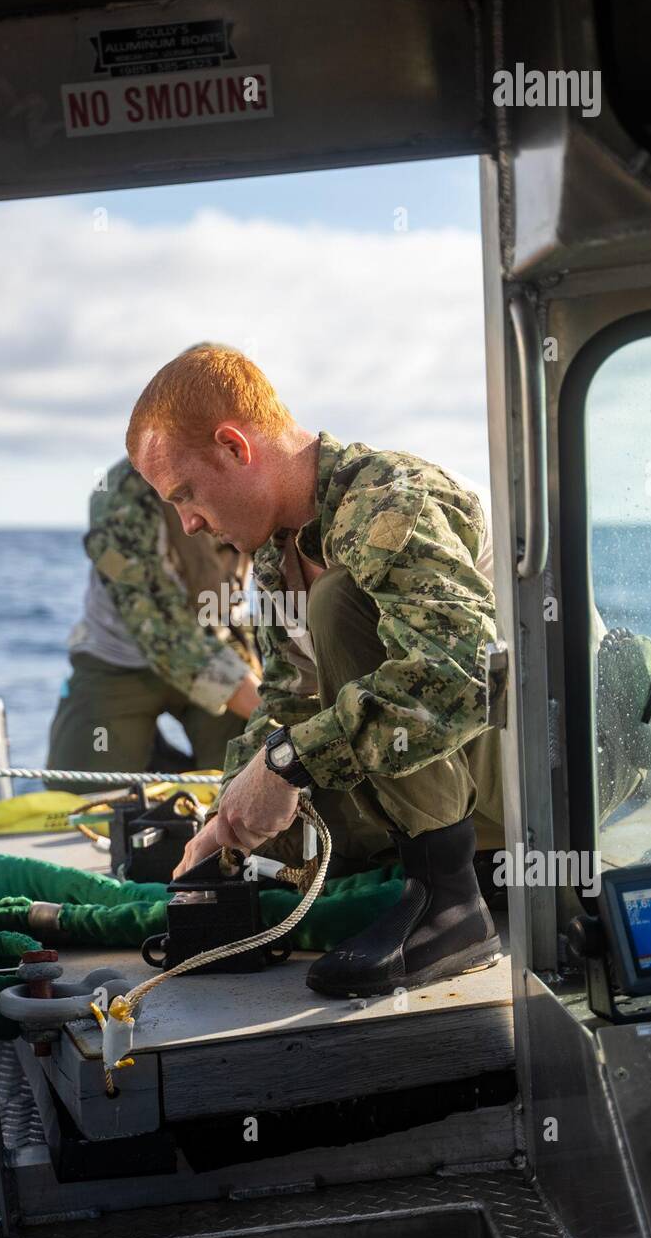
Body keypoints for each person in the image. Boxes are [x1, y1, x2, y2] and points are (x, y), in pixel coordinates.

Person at [126, 344, 506, 999]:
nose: (186, 522)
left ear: (234, 447)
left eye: (185, 494)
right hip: (452, 771)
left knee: (340, 601)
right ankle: (406, 869)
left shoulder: (387, 497)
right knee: (270, 852)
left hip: (538, 778)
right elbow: (286, 705)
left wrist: (286, 766)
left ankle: (451, 906)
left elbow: (460, 679)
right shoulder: (276, 557)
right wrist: (228, 820)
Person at [45, 449, 262, 793]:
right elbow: (164, 637)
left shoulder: (252, 472)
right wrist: (266, 709)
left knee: (256, 775)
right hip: (119, 660)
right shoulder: (121, 496)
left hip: (222, 644)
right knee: (79, 798)